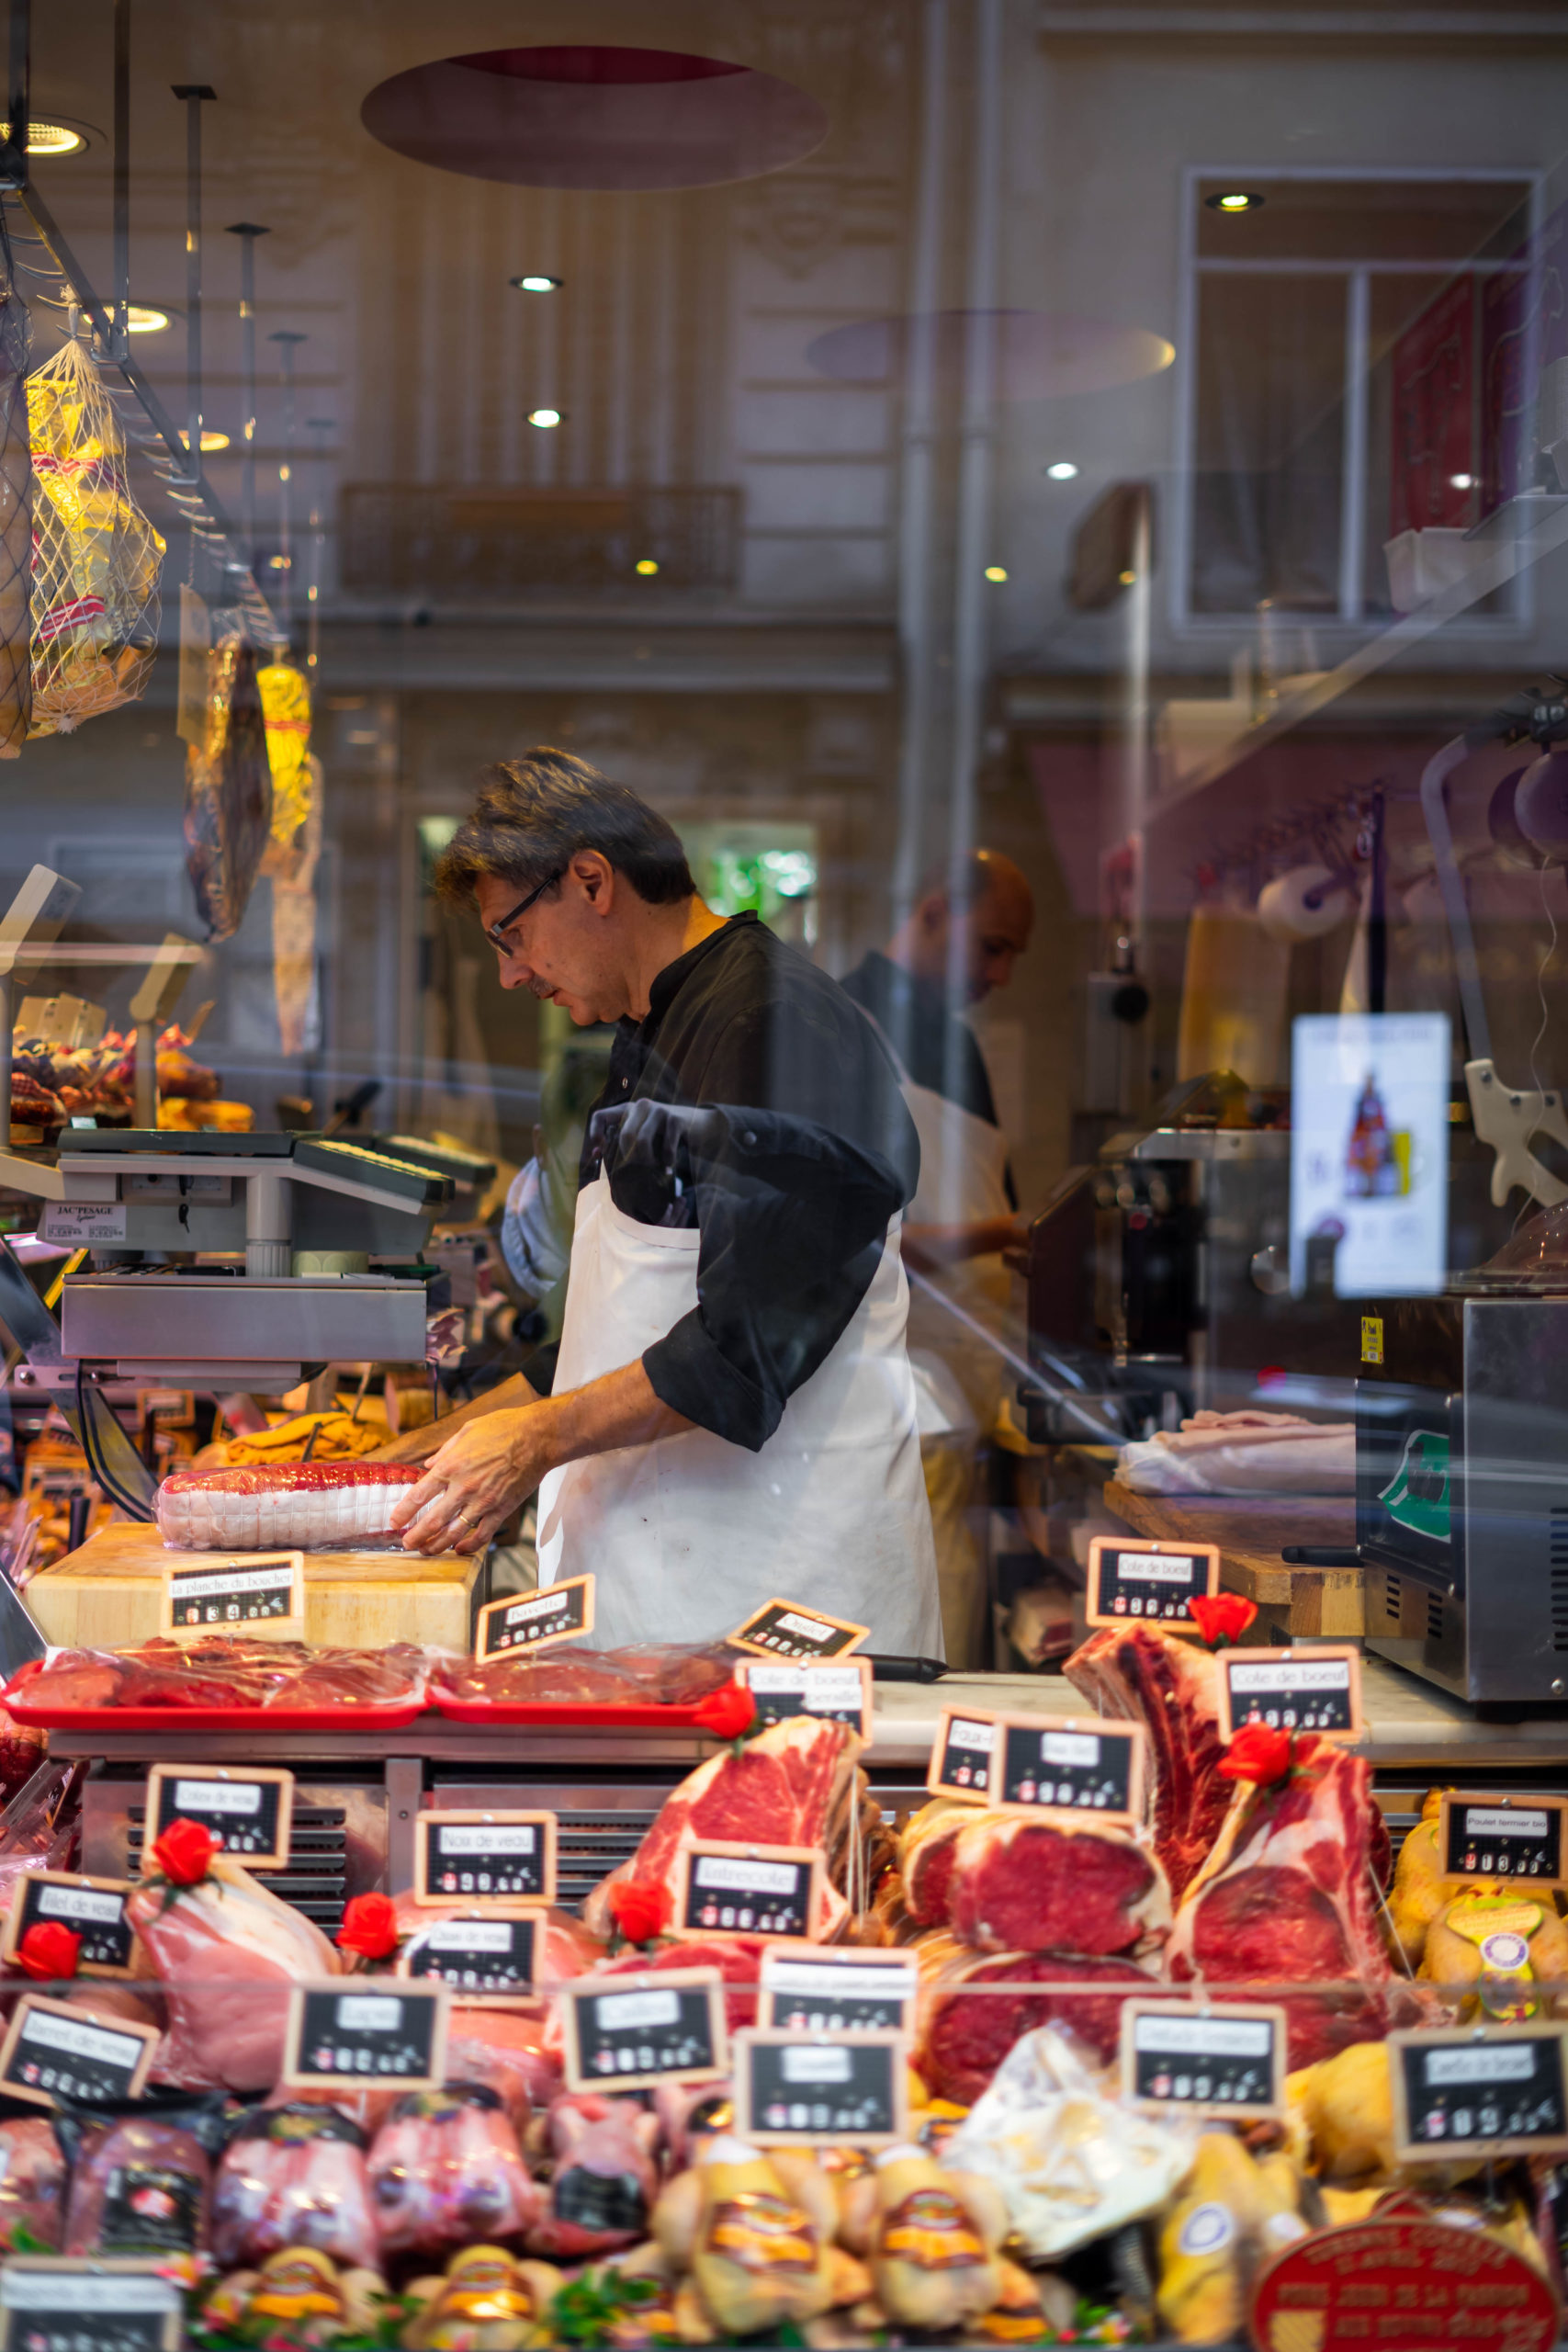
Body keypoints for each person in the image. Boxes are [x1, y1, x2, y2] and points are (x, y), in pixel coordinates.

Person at [390, 748, 943, 1659]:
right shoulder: (655, 1023)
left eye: (510, 935)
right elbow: (626, 1324)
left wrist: (535, 1441)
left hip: (788, 1620)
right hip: (683, 1609)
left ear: (591, 881)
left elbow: (744, 1346)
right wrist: (440, 1442)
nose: (510, 974)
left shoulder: (770, 1021)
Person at [840, 850, 1035, 1667]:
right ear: (930, 912)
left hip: (969, 1388)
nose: (999, 973)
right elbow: (857, 1242)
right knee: (917, 1628)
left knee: (952, 1605)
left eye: (1011, 955)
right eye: (989, 945)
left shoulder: (952, 1043)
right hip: (900, 1389)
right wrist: (1005, 1233)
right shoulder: (849, 1029)